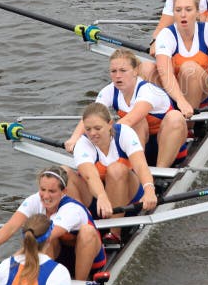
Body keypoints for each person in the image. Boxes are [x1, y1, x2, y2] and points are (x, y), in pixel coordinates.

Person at [65, 49, 187, 168]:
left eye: (123, 71)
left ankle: (160, 173)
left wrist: (97, 136)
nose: (118, 76)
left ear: (135, 71)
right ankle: (133, 170)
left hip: (169, 149)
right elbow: (91, 116)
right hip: (141, 149)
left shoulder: (147, 90)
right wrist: (75, 138)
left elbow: (129, 121)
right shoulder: (109, 91)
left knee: (173, 117)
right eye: (113, 71)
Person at [0, 167, 105, 283]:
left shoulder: (72, 209)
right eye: (43, 190)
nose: (46, 196)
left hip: (89, 260)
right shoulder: (34, 200)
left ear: (63, 192)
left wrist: (10, 263)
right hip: (60, 257)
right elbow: (12, 226)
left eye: (52, 191)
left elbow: (45, 237)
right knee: (46, 241)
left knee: (85, 232)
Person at [66, 102, 159, 245]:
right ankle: (79, 228)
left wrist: (149, 189)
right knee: (63, 173)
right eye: (88, 129)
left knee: (116, 169)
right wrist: (102, 196)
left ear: (110, 124)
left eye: (97, 128)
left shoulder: (125, 133)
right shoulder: (82, 144)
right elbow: (90, 176)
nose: (92, 134)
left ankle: (114, 233)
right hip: (100, 201)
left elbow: (140, 165)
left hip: (129, 198)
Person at [153, 0, 208, 118]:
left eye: (188, 10)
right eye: (178, 10)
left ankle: (190, 125)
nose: (183, 14)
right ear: (173, 13)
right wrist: (181, 101)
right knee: (146, 69)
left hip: (205, 92)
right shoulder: (166, 34)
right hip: (176, 92)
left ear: (197, 12)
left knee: (190, 68)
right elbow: (165, 74)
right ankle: (157, 121)